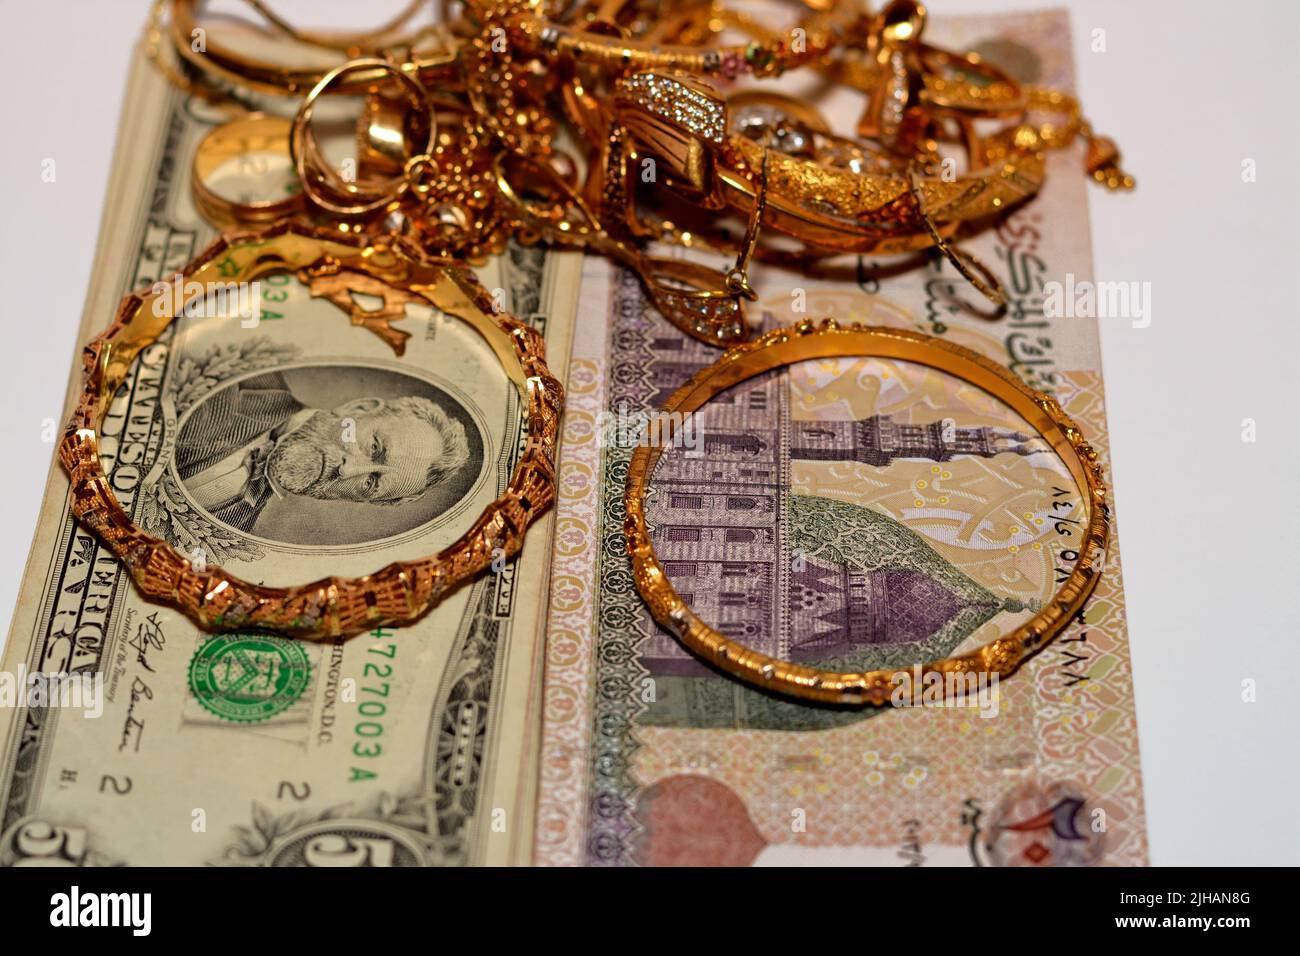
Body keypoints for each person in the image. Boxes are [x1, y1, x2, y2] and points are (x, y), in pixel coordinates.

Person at [174, 371, 470, 533]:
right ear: (358, 409)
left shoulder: (235, 531)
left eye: (370, 483)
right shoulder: (240, 375)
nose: (348, 470)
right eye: (374, 447)